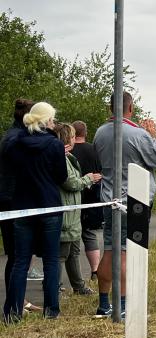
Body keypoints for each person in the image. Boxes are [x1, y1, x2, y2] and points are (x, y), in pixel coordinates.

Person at [93, 92, 156, 317]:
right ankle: (124, 306)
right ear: (131, 108)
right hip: (135, 201)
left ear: (110, 108)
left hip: (109, 198)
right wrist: (152, 137)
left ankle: (104, 304)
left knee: (109, 248)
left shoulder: (100, 132)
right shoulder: (138, 134)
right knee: (127, 252)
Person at [3, 102, 68, 322]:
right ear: (48, 120)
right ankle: (51, 311)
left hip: (22, 207)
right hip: (49, 206)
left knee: (20, 261)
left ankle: (13, 312)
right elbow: (61, 177)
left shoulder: (16, 143)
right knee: (50, 260)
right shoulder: (55, 145)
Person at [54, 123, 102, 295]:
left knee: (74, 251)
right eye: (73, 137)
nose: (75, 139)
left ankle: (79, 286)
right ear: (69, 138)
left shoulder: (68, 157)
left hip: (74, 213)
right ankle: (55, 287)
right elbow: (70, 183)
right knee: (61, 254)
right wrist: (88, 179)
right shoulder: (60, 159)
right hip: (66, 213)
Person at [0, 98, 34, 311]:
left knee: (18, 255)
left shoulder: (14, 135)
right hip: (12, 201)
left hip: (13, 199)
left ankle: (17, 301)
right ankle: (13, 305)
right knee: (16, 255)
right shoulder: (16, 139)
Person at [71, 120, 103, 280]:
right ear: (86, 133)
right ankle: (95, 271)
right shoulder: (93, 150)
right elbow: (100, 173)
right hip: (91, 198)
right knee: (89, 234)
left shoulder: (67, 151)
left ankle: (74, 276)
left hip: (71, 198)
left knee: (72, 238)